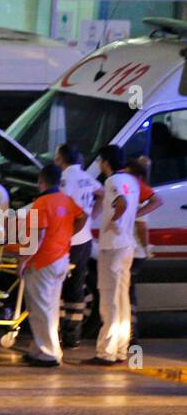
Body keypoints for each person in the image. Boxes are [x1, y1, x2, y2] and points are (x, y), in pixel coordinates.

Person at [18, 164, 86, 367]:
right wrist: (67, 234)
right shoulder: (67, 200)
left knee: (40, 309)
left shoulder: (41, 203)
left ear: (41, 181)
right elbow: (83, 217)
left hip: (43, 262)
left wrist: (22, 261)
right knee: (51, 309)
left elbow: (37, 237)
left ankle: (48, 353)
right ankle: (41, 350)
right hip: (61, 259)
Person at [86, 145, 139, 365]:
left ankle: (106, 352)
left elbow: (121, 203)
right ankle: (120, 349)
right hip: (127, 245)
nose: (99, 164)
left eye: (100, 160)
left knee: (109, 300)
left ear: (106, 162)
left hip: (113, 247)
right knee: (122, 298)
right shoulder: (132, 181)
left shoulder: (112, 181)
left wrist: (114, 222)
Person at [55, 143, 99, 347]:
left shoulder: (65, 178)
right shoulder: (86, 176)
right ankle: (73, 336)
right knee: (76, 288)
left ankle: (58, 333)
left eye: (57, 157)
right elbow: (102, 194)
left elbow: (60, 205)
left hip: (69, 240)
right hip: (85, 240)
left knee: (59, 286)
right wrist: (93, 216)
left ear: (62, 159)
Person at [123, 157, 162, 345]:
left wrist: (146, 248)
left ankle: (132, 337)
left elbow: (141, 227)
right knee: (128, 293)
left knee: (128, 294)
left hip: (134, 252)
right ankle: (131, 335)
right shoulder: (138, 193)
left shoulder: (138, 195)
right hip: (135, 251)